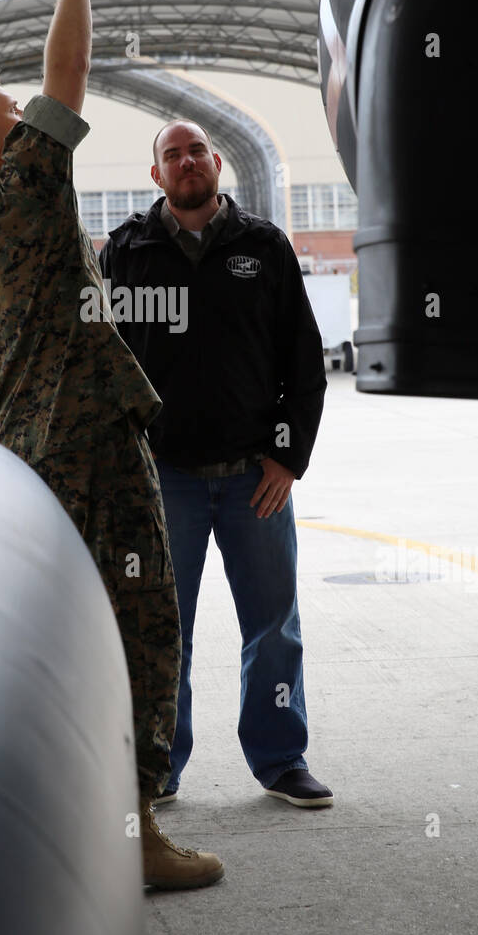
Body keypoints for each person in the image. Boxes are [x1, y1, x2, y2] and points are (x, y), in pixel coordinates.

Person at [0, 0, 223, 890]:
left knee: (47, 641)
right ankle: (134, 838)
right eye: (9, 113)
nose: (26, 116)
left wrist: (9, 462)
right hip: (93, 445)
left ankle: (40, 829)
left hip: (25, 465)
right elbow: (70, 67)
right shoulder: (23, 186)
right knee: (138, 629)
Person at [99, 120, 332, 808]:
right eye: (171, 154)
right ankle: (159, 764)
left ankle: (281, 757)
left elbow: (304, 362)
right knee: (164, 630)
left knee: (273, 624)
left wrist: (287, 459)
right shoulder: (126, 251)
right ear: (156, 176)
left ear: (217, 160)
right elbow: (103, 364)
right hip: (163, 475)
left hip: (252, 479)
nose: (186, 161)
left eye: (196, 149)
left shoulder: (263, 247)